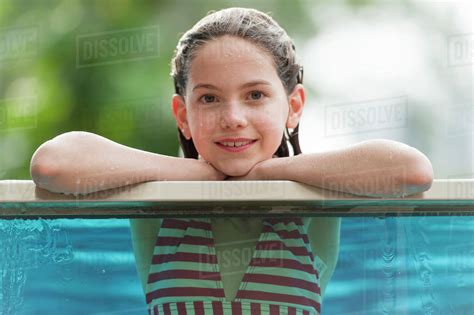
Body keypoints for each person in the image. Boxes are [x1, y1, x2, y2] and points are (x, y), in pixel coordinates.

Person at [30, 7, 433, 314]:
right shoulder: (158, 199)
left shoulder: (311, 195)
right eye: (209, 98)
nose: (233, 118)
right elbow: (52, 165)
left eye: (255, 95)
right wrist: (196, 172)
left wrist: (270, 170)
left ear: (293, 107)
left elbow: (411, 172)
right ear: (183, 116)